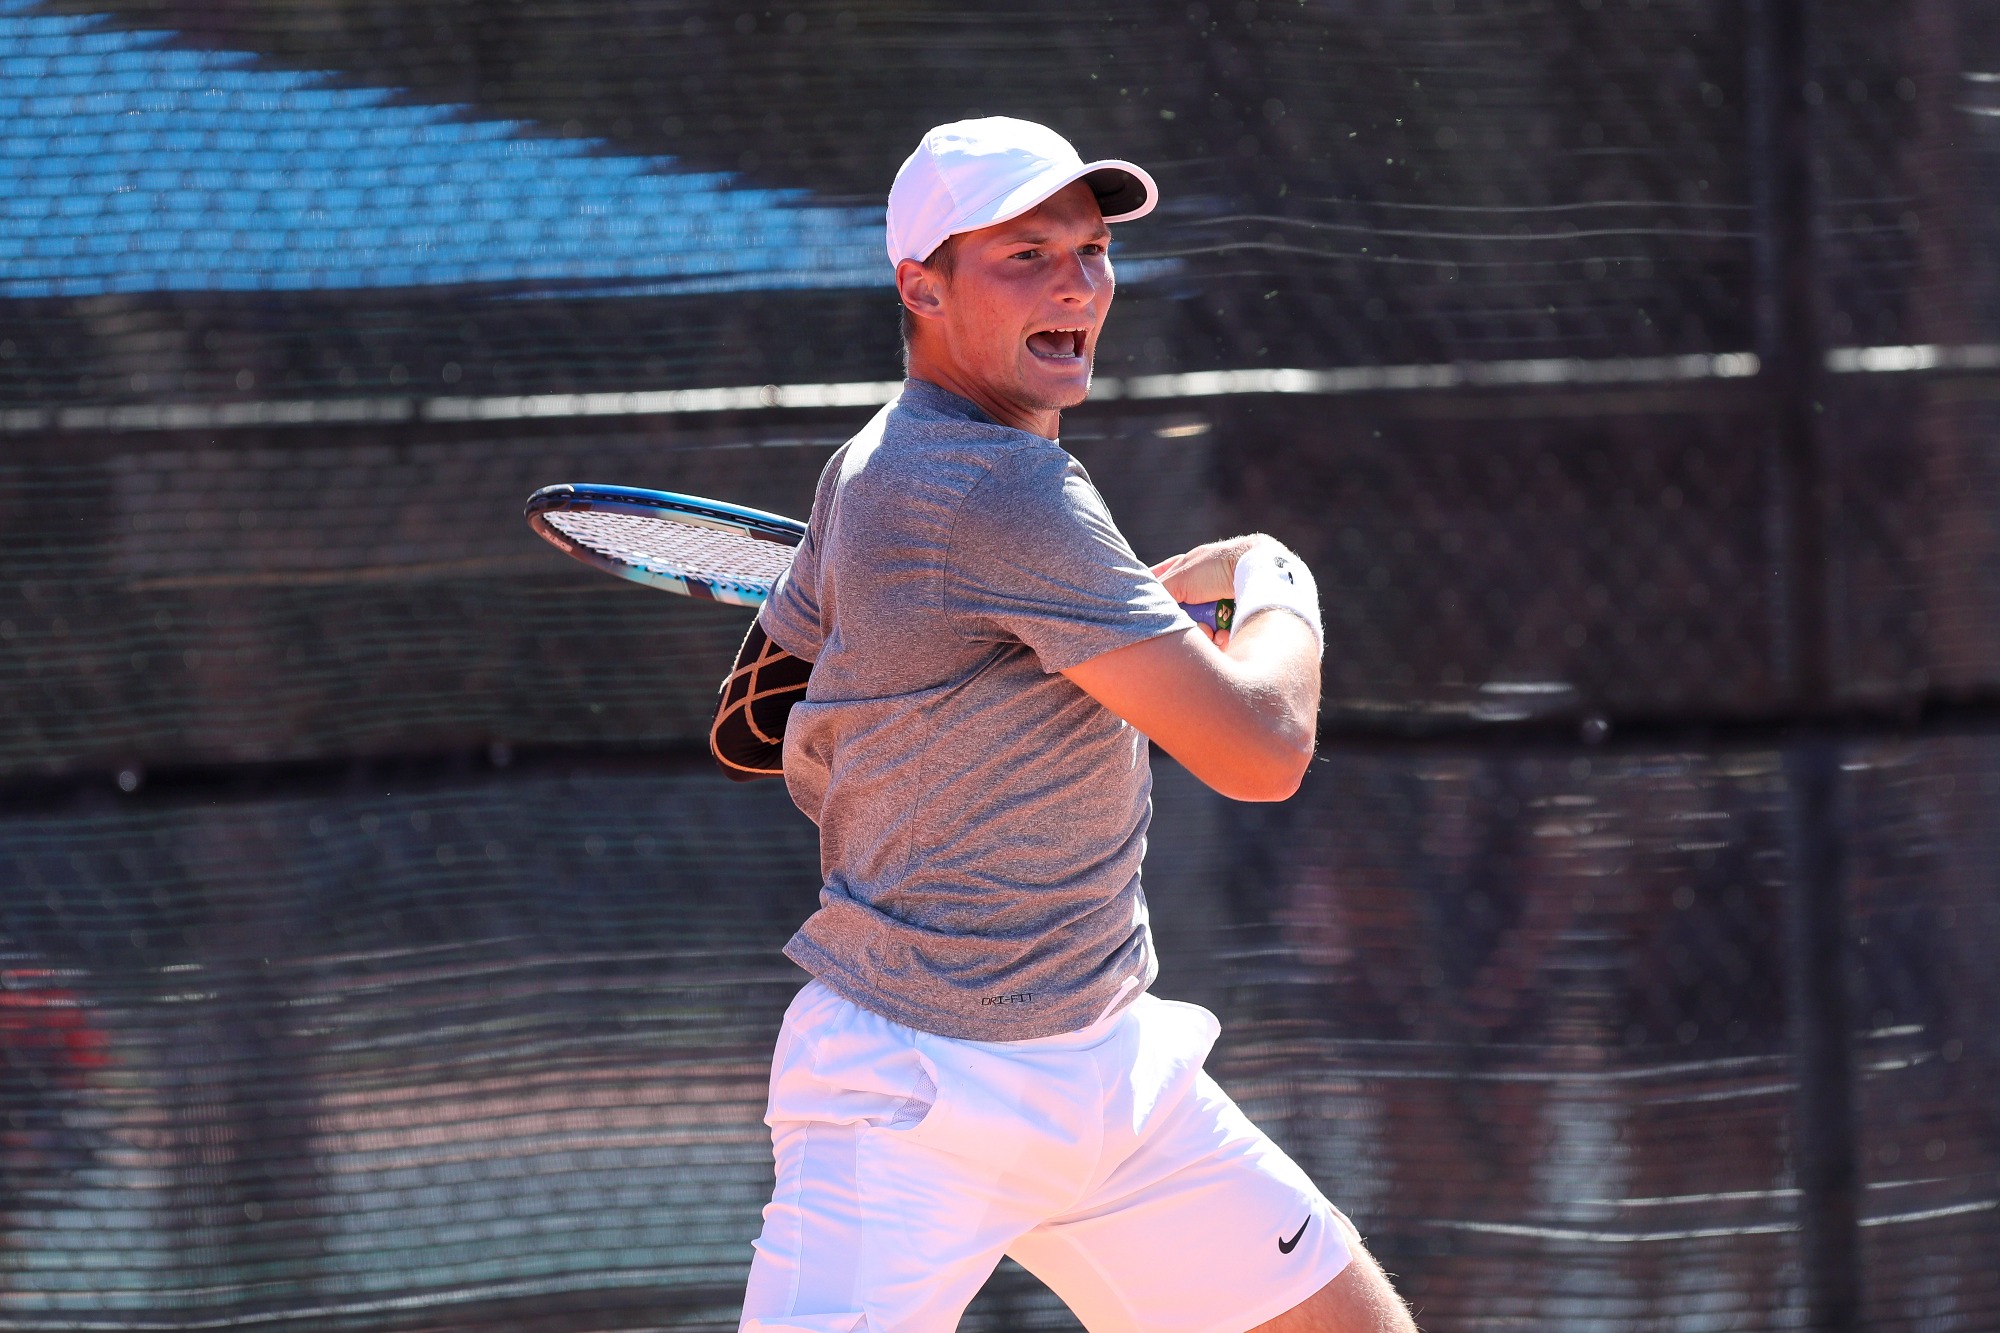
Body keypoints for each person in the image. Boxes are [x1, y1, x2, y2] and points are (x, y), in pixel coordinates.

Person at [710, 117, 1417, 1333]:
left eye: (1090, 250)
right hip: (919, 1095)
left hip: (1110, 1072)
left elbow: (750, 720)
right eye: (1024, 256)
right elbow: (1261, 749)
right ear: (919, 286)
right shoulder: (1003, 489)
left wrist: (1079, 625)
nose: (1076, 284)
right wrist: (1275, 582)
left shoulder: (870, 465)